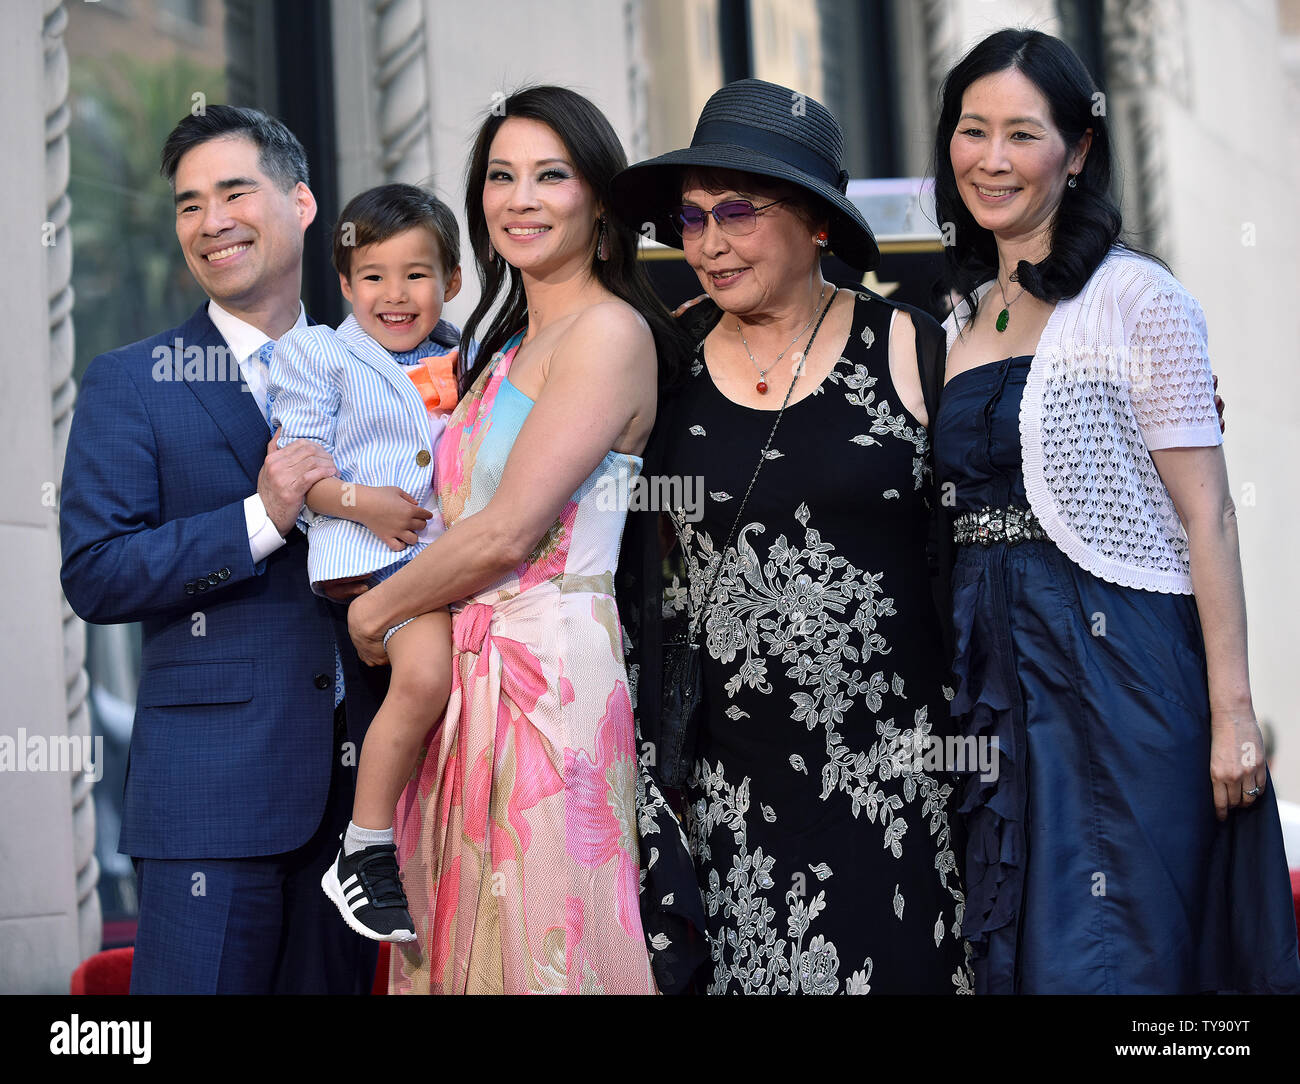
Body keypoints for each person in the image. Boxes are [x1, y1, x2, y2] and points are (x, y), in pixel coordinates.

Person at [930, 27, 1300, 993]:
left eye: (1023, 133)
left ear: (1079, 150)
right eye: (973, 132)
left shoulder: (1141, 298)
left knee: (1118, 952)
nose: (994, 160)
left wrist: (1233, 717)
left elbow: (1209, 515)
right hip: (987, 668)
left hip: (1120, 660)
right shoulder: (950, 322)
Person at [609, 78, 971, 994]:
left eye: (737, 211)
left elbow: (999, 521)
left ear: (813, 220)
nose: (711, 243)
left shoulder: (913, 346)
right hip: (726, 800)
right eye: (690, 220)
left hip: (901, 785)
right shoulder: (661, 361)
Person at [344, 85, 688, 994]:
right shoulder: (497, 348)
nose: (520, 198)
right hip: (463, 681)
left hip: (550, 682)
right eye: (501, 177)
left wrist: (379, 607)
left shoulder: (608, 333)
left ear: (600, 199)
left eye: (550, 175)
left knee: (546, 949)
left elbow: (505, 534)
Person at [59, 106, 385, 993]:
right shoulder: (132, 382)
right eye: (188, 204)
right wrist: (262, 517)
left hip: (369, 806)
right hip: (210, 803)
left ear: (304, 203)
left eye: (235, 192)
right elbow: (96, 570)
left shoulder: (380, 367)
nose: (211, 222)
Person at [266, 183, 465, 942]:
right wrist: (361, 501)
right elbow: (296, 468)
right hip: (374, 558)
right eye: (373, 276)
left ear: (450, 282)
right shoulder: (319, 352)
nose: (395, 293)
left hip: (451, 559)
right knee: (422, 678)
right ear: (345, 285)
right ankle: (364, 845)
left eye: (417, 274)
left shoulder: (468, 353)